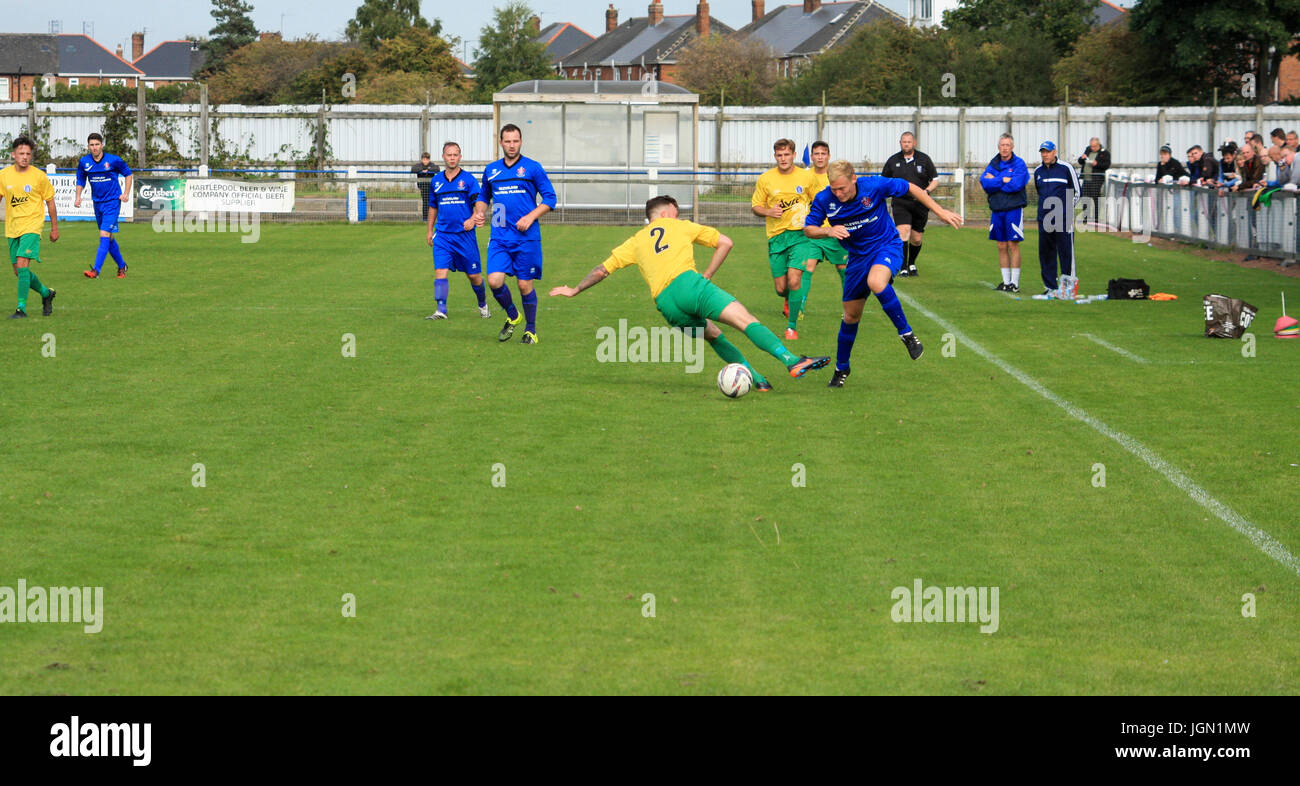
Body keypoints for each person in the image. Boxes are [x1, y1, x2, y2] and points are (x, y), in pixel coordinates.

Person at [548, 195, 830, 390]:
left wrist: (575, 289)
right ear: (667, 210)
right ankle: (791, 360)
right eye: (676, 209)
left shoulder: (634, 241)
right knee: (744, 320)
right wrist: (707, 275)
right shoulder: (679, 225)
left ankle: (756, 378)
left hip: (666, 304)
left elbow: (602, 269)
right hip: (689, 285)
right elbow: (726, 242)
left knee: (713, 335)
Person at [803, 160, 963, 388]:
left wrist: (940, 211)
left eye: (843, 188)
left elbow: (911, 188)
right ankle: (842, 367)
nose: (838, 194)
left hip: (886, 246)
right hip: (857, 258)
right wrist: (828, 230)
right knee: (850, 316)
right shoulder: (824, 199)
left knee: (876, 282)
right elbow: (809, 229)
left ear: (854, 179)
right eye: (834, 189)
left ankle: (906, 334)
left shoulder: (874, 185)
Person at [472, 124, 556, 344]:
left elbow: (550, 198)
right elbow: (483, 197)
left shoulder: (533, 168)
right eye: (507, 141)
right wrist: (479, 212)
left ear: (521, 141)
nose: (511, 145)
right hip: (499, 236)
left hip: (526, 237)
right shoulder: (491, 170)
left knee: (524, 285)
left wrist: (530, 217)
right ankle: (513, 315)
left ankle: (531, 330)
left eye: (515, 141)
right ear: (501, 142)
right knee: (494, 280)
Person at [751, 138, 820, 340]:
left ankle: (792, 327)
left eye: (786, 154)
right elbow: (756, 207)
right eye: (779, 155)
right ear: (775, 157)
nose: (783, 158)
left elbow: (819, 200)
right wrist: (768, 211)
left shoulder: (806, 178)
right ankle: (788, 299)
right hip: (777, 237)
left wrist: (814, 221)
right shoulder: (765, 179)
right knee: (781, 288)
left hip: (800, 236)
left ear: (794, 155)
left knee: (795, 278)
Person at [425, 141, 489, 320]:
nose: (452, 158)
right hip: (443, 236)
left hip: (465, 237)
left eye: (455, 155)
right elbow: (432, 207)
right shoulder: (436, 180)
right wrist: (430, 231)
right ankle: (441, 310)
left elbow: (479, 203)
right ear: (443, 157)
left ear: (460, 157)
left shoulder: (468, 180)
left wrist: (472, 218)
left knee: (474, 276)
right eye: (449, 154)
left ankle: (483, 304)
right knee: (440, 272)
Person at [1, 136, 58, 318]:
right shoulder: (4, 175)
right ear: (13, 154)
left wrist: (54, 228)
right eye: (21, 153)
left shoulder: (39, 176)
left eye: (28, 154)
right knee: (19, 271)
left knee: (22, 263)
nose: (25, 157)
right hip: (12, 227)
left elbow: (50, 201)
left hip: (32, 226)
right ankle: (45, 293)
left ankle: (21, 309)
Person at [73, 133, 132, 279]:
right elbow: (81, 179)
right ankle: (122, 266)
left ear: (102, 145)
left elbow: (128, 174)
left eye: (97, 144)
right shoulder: (84, 162)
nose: (94, 147)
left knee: (104, 234)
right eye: (91, 145)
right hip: (97, 203)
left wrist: (126, 193)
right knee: (109, 237)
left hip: (112, 202)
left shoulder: (113, 160)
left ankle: (96, 270)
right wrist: (78, 196)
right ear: (88, 146)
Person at [881, 131, 939, 277]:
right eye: (903, 142)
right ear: (900, 143)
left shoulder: (924, 159)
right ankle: (903, 267)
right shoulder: (893, 161)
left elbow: (935, 180)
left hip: (920, 203)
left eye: (909, 141)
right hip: (901, 202)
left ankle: (912, 263)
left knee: (916, 238)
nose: (906, 144)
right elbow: (884, 181)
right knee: (903, 232)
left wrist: (926, 191)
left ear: (914, 143)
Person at [1031, 141, 1080, 300]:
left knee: (1066, 253)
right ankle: (1050, 287)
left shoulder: (1066, 168)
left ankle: (1068, 288)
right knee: (1046, 253)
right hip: (1044, 219)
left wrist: (1065, 209)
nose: (1045, 154)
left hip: (1063, 219)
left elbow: (1077, 193)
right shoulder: (1038, 171)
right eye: (1042, 152)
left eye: (1048, 151)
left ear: (1054, 152)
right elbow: (1040, 193)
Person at [981, 134, 1029, 292]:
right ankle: (1006, 282)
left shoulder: (1019, 164)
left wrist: (996, 180)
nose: (1005, 147)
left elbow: (1016, 185)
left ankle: (1015, 283)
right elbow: (985, 183)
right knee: (1001, 245)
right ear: (998, 146)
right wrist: (1004, 179)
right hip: (997, 209)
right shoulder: (994, 163)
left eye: (1007, 145)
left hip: (1013, 208)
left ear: (1012, 146)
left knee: (1012, 244)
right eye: (1002, 144)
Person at [805, 141, 847, 289]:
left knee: (843, 269)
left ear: (829, 156)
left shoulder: (836, 176)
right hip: (814, 231)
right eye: (817, 154)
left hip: (836, 231)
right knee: (807, 267)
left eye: (823, 154)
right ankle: (798, 311)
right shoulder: (804, 176)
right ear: (811, 156)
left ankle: (848, 311)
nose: (820, 157)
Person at [1075, 137, 1110, 202]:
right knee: (1084, 198)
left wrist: (1097, 164)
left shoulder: (1104, 152)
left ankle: (1097, 212)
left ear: (1098, 145)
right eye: (1091, 146)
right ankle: (1085, 212)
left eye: (1094, 146)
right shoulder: (1088, 150)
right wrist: (1082, 158)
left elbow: (1107, 165)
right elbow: (1080, 162)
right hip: (1086, 179)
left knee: (1096, 198)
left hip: (1096, 180)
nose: (1092, 148)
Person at [412, 153, 438, 222]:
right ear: (421, 159)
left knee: (433, 202)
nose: (425, 161)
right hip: (423, 188)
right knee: (425, 203)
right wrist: (422, 170)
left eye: (427, 159)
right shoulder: (419, 165)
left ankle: (433, 218)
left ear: (429, 160)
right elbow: (413, 169)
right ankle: (425, 219)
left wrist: (428, 170)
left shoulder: (432, 165)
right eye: (424, 159)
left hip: (431, 187)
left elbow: (437, 169)